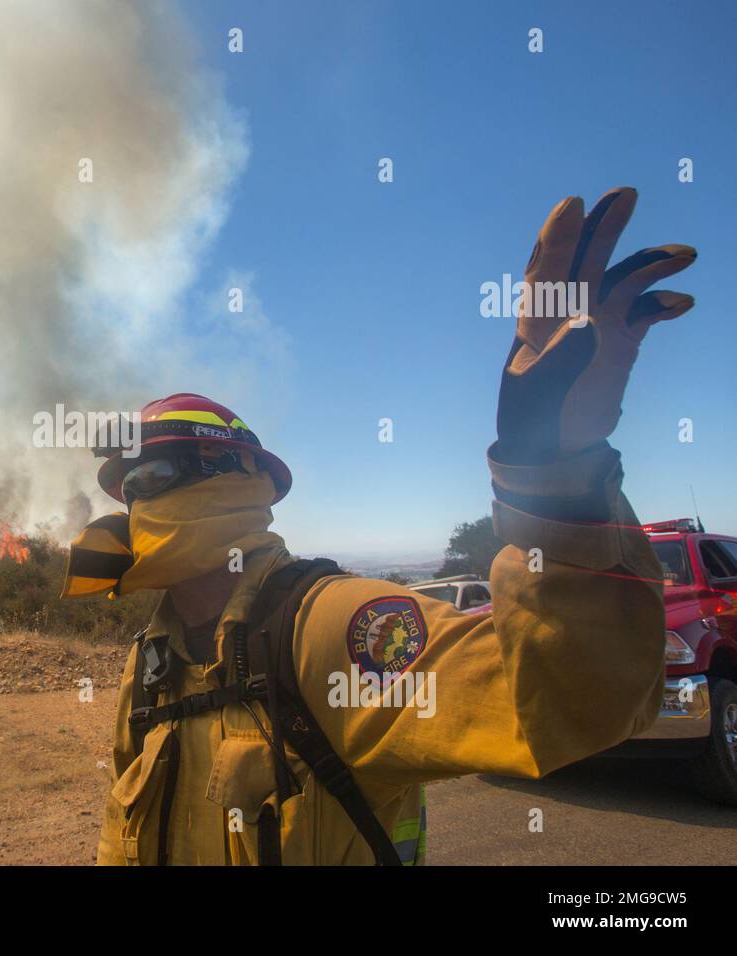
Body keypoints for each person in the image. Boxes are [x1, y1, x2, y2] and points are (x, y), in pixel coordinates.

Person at [66, 187, 697, 865]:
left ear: (238, 477)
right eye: (128, 488)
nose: (134, 501)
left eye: (155, 477)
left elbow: (572, 700)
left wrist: (559, 475)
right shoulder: (150, 665)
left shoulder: (338, 628)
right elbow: (118, 833)